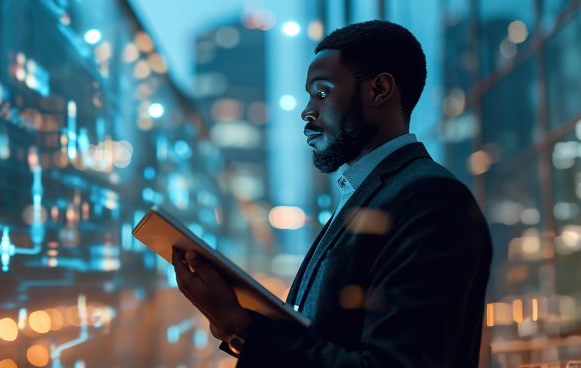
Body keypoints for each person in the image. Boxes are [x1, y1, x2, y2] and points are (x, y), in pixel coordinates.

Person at [172, 20, 492, 367]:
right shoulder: (368, 196)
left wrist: (243, 326)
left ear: (379, 89)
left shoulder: (430, 199)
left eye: (321, 93)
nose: (307, 111)